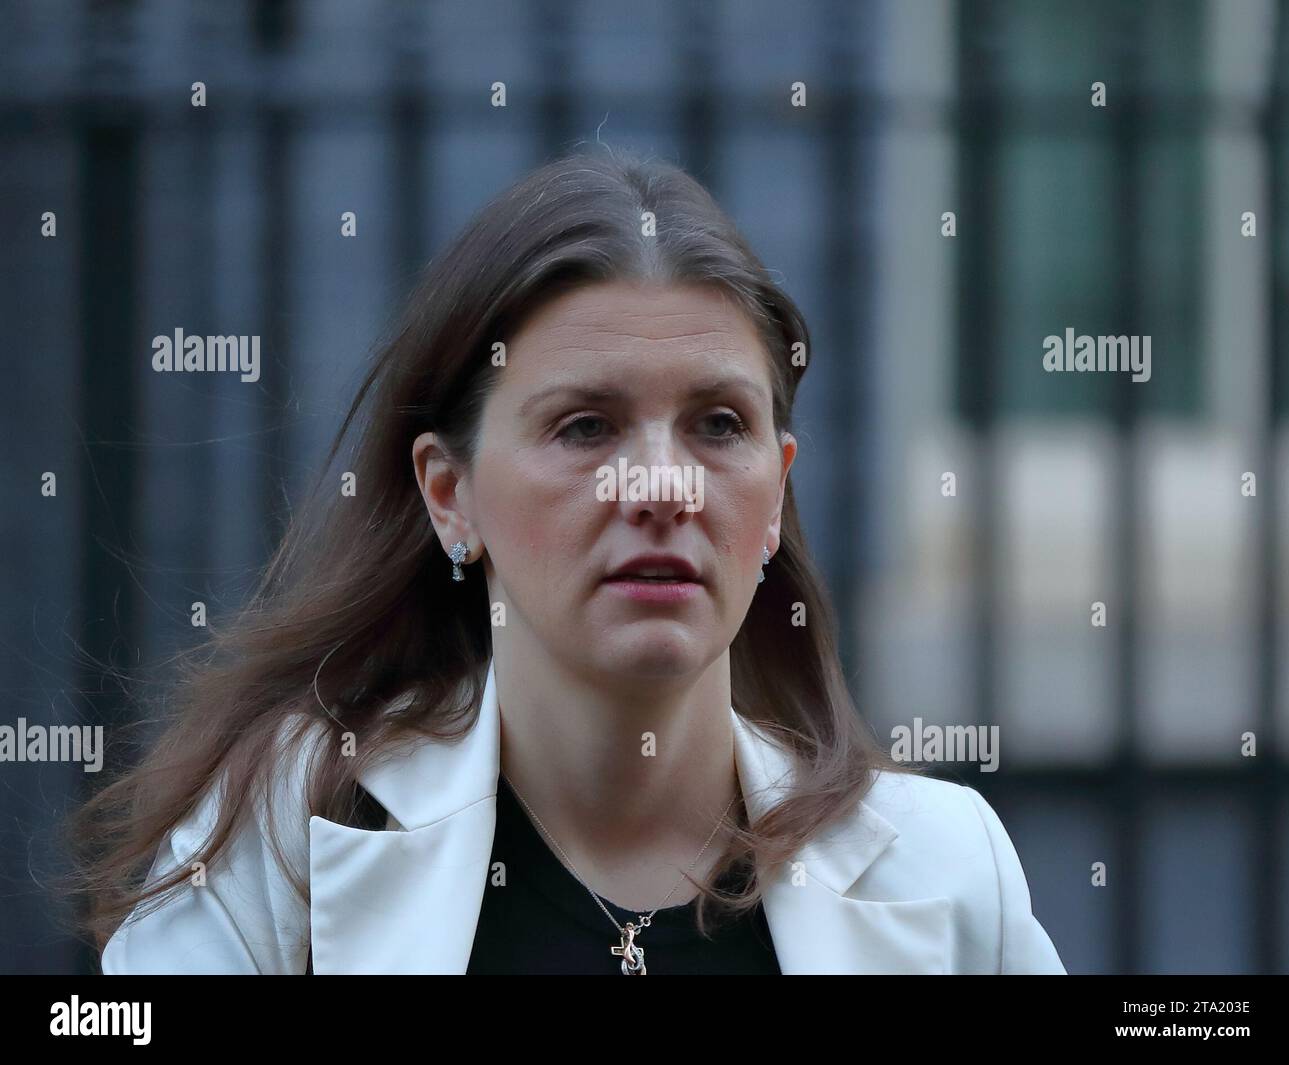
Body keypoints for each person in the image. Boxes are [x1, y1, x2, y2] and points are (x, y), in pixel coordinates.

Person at [73, 147, 1066, 974]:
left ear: (776, 498)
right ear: (449, 495)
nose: (662, 488)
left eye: (719, 426)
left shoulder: (941, 871)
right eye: (586, 427)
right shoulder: (289, 836)